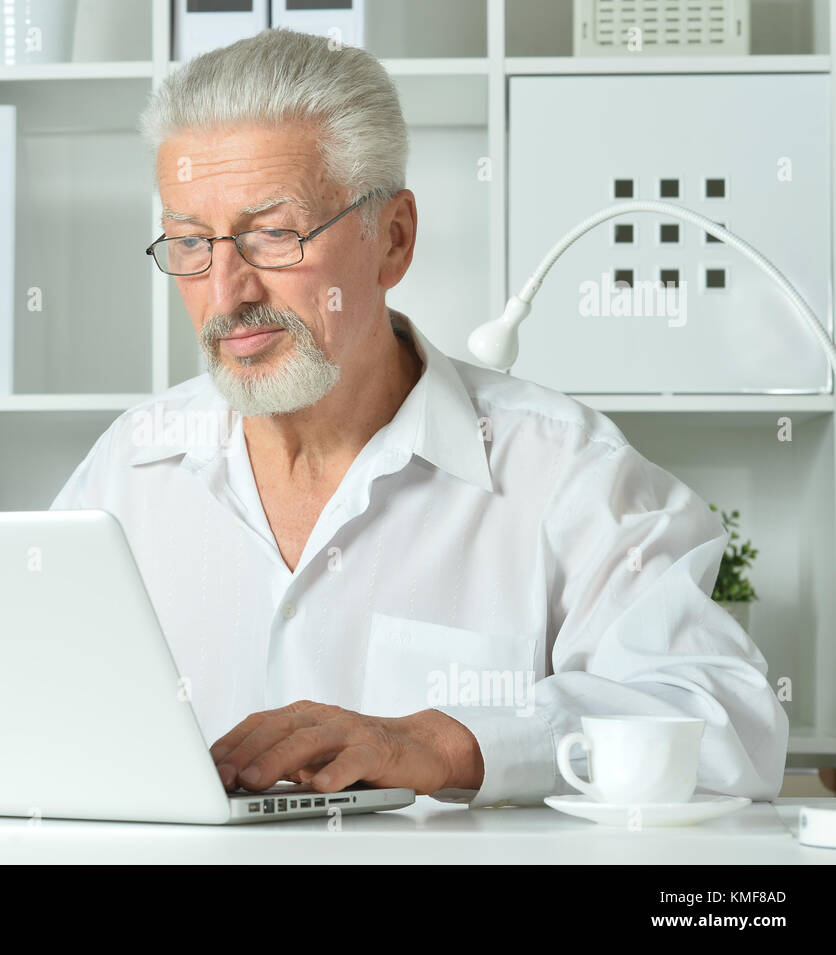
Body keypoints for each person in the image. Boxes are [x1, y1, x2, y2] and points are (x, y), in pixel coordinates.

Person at [50, 28, 787, 806]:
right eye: (191, 242)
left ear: (392, 238)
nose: (227, 292)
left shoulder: (563, 471)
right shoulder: (129, 467)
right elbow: (6, 693)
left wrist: (449, 742)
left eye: (273, 234)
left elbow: (731, 723)